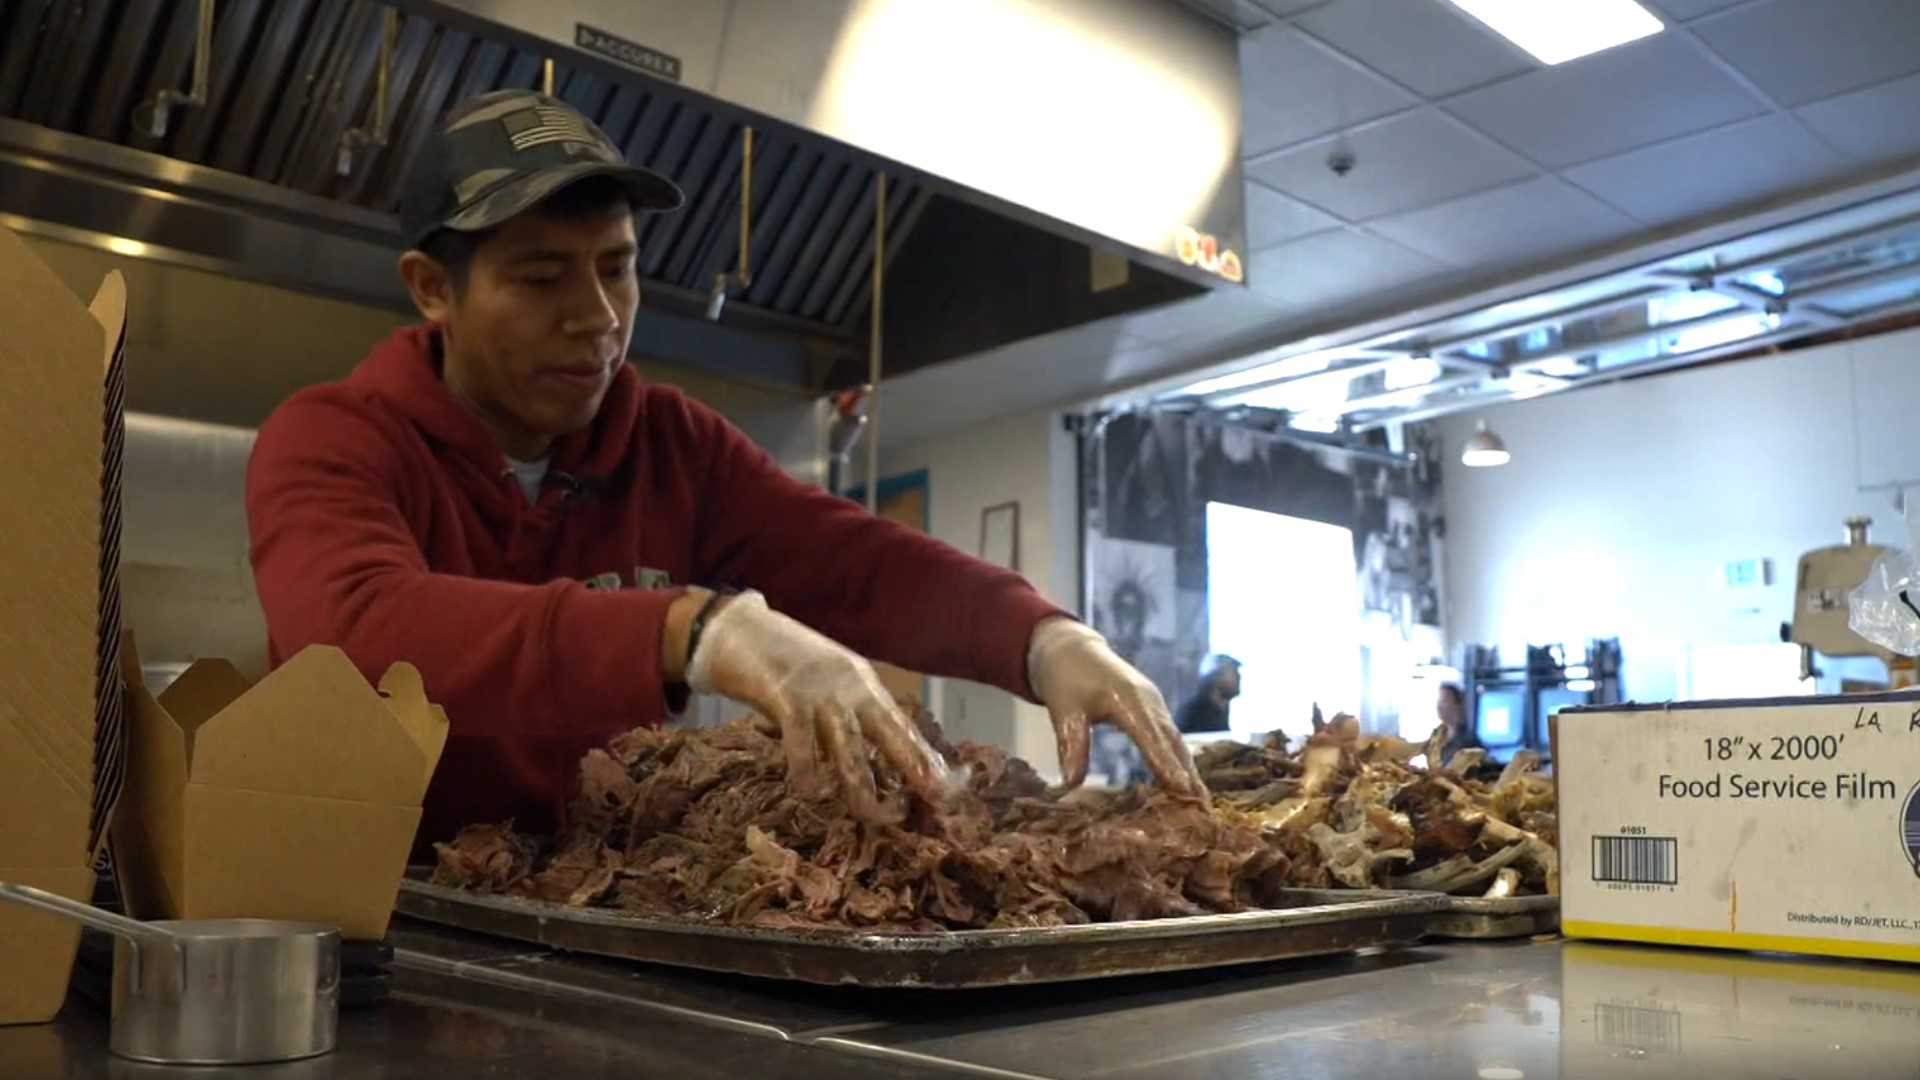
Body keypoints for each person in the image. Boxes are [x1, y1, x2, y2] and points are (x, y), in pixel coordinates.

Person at [244, 91, 1204, 852]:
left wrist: (1040, 637)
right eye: (541, 278)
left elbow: (852, 563)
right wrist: (691, 629)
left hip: (609, 920)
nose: (597, 316)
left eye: (615, 267)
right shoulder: (333, 438)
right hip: (381, 917)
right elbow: (356, 633)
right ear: (432, 288)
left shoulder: (670, 443)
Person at [1175, 655, 1241, 734]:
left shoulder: (1222, 708)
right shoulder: (1193, 708)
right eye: (1233, 672)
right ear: (1216, 675)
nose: (1238, 676)